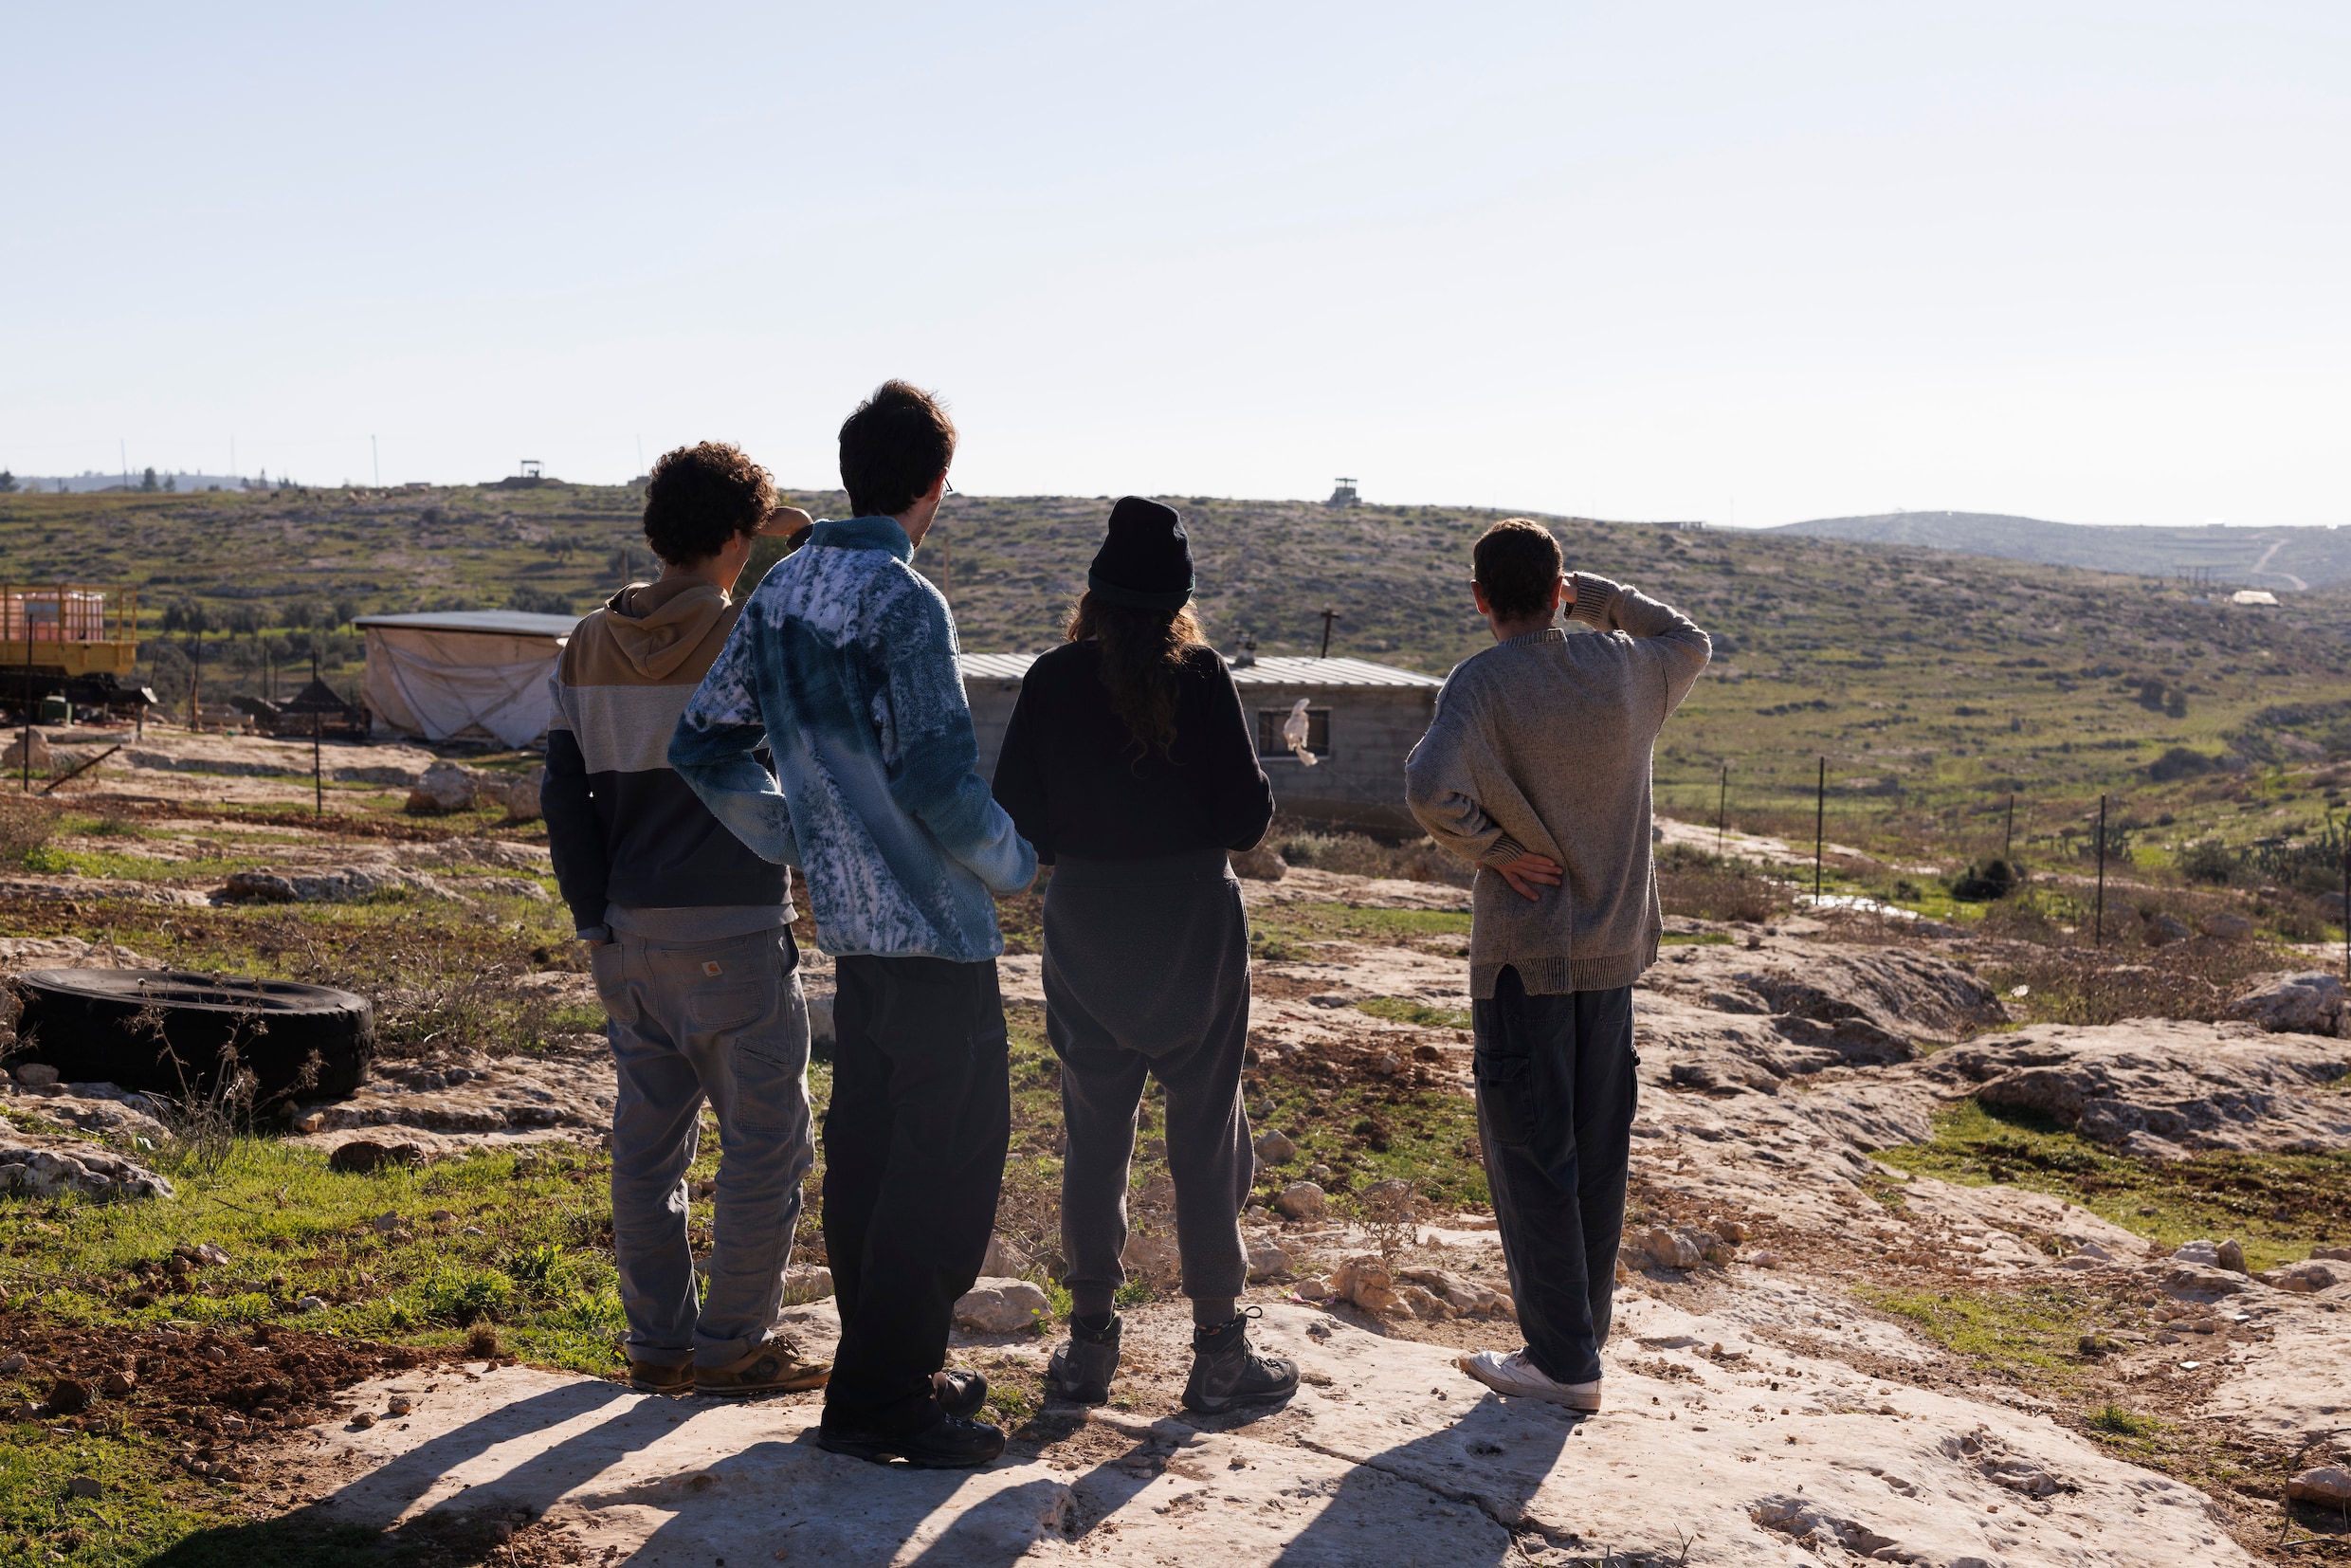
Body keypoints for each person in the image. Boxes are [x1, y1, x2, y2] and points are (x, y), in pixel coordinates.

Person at [670, 380, 1035, 1469]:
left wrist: (796, 837)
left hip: (853, 941)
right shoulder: (900, 599)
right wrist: (1014, 860)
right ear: (932, 486)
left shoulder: (782, 592)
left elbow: (704, 744)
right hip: (936, 930)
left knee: (873, 1163)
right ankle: (882, 1401)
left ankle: (887, 1371)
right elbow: (933, 776)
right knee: (951, 1171)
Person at [991, 497, 1298, 1414]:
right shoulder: (1202, 675)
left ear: (1092, 592)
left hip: (1086, 918)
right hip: (1193, 919)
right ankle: (1218, 1349)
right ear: (1179, 599)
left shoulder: (1049, 677)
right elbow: (1247, 820)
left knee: (1094, 1135)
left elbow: (1020, 819)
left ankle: (1088, 1349)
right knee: (1207, 1134)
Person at [542, 441, 830, 1397]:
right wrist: (787, 540)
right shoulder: (741, 636)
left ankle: (656, 1344)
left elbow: (562, 796)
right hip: (735, 936)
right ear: (735, 535)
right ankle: (734, 1342)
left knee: (646, 1147)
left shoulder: (586, 642)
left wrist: (593, 920)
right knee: (764, 1143)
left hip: (627, 933)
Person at [1404, 520, 1709, 1413]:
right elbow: (1688, 638)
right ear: (1559, 587)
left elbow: (1428, 789)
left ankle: (1563, 1363)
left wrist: (1493, 849)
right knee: (1597, 1149)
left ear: (1479, 598)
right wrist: (1600, 596)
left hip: (1525, 953)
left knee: (1532, 1153)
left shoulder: (1482, 682)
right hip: (1613, 958)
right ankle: (1580, 1342)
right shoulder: (1626, 670)